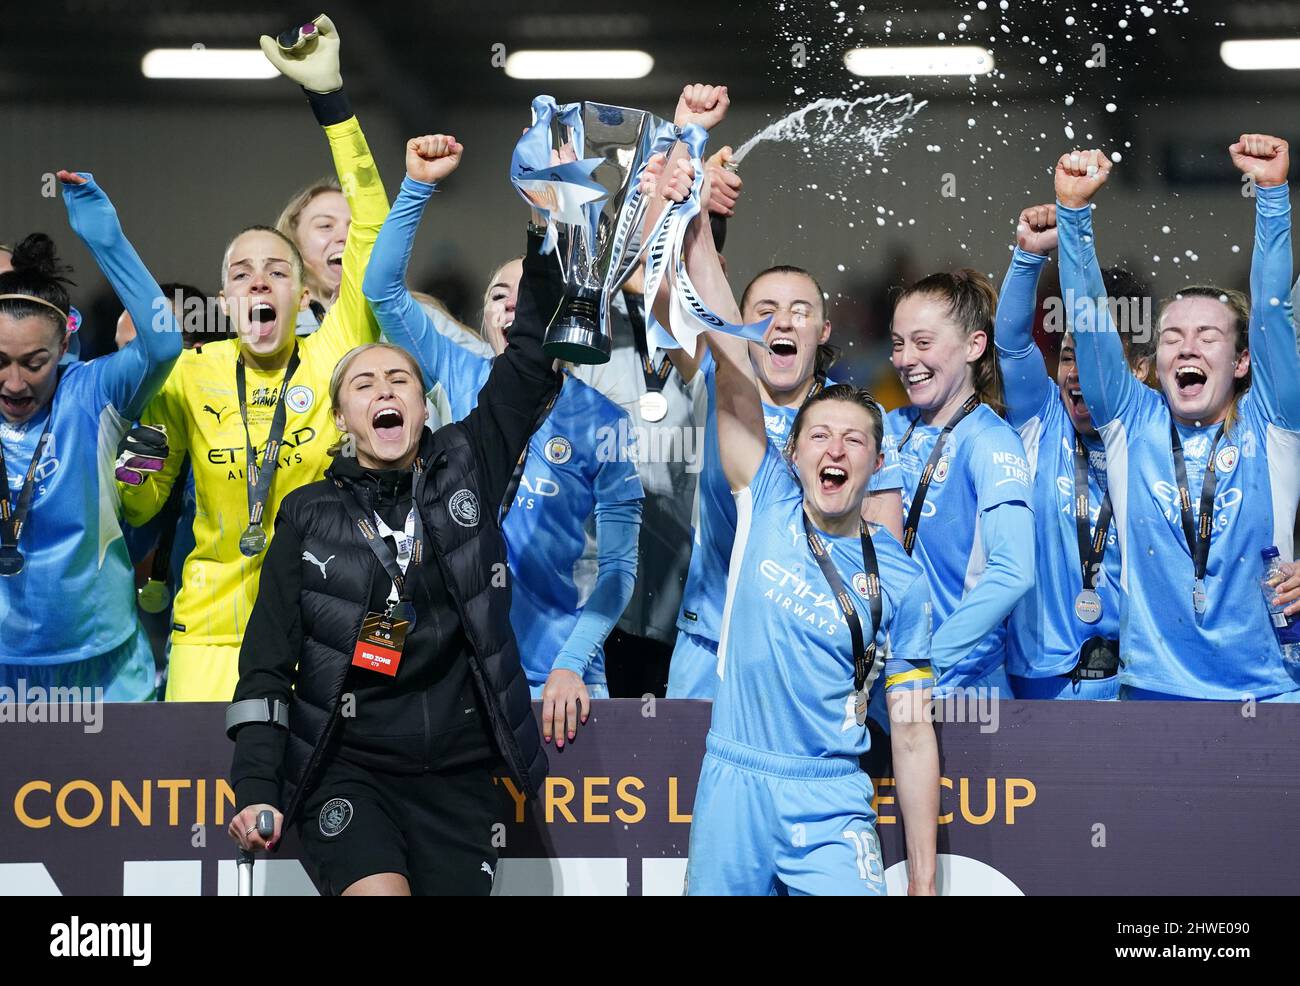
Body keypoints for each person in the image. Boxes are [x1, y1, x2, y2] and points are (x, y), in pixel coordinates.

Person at [227, 206, 562, 895]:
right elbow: (265, 665)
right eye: (364, 385)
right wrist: (256, 787)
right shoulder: (307, 515)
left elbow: (528, 357)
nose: (384, 391)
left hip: (460, 774)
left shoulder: (468, 463)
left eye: (400, 381)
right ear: (343, 420)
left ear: (425, 406)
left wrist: (542, 233)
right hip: (349, 766)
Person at [655, 156, 937, 895]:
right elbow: (706, 326)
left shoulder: (898, 575)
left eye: (854, 442)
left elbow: (908, 727)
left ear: (880, 461)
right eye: (820, 439)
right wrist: (692, 215)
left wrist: (926, 879)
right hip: (727, 726)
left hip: (830, 781)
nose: (835, 450)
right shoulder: (768, 486)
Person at [118, 13, 390, 701]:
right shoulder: (188, 374)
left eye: (276, 271)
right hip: (210, 635)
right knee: (201, 805)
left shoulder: (333, 351)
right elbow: (142, 499)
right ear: (225, 299)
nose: (259, 282)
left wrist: (332, 104)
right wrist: (129, 419)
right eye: (242, 274)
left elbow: (375, 234)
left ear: (303, 295)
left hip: (319, 626)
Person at [363, 135, 643, 742]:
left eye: (527, 295)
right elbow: (381, 290)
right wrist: (415, 187)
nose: (512, 307)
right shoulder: (454, 370)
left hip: (556, 677)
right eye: (497, 295)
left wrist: (572, 664)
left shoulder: (605, 423)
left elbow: (619, 568)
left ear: (556, 312)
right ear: (484, 317)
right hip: (452, 668)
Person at [637, 89, 905, 701]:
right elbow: (655, 287)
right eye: (764, 311)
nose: (782, 323)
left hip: (813, 646)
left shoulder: (859, 423)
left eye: (800, 311)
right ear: (738, 323)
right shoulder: (716, 379)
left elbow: (882, 556)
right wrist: (684, 152)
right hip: (710, 645)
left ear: (824, 329)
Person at [1056, 137, 1300, 701]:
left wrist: (1271, 195)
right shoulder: (1129, 421)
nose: (1187, 348)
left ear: (1242, 361)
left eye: (1207, 336)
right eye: (1172, 337)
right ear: (1155, 360)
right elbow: (1090, 316)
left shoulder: (1273, 421)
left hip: (1268, 693)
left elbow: (1271, 311)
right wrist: (1073, 213)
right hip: (1153, 693)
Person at [0, 173, 181, 700]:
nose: (15, 383)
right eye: (0, 363)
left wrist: (107, 238)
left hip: (105, 668)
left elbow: (164, 343)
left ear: (64, 346)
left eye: (35, 363)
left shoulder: (92, 393)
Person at [995, 205, 1154, 699]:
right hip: (1040, 674)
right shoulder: (1042, 415)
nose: (1075, 373)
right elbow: (1010, 341)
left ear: (1140, 371)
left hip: (1132, 675)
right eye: (1067, 356)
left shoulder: (1152, 432)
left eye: (1089, 358)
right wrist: (1028, 258)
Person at [886, 267, 1036, 695]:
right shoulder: (889, 428)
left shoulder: (990, 440)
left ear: (974, 345)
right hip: (892, 683)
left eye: (923, 342)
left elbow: (1014, 572)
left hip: (963, 687)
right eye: (898, 344)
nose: (905, 359)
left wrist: (927, 662)